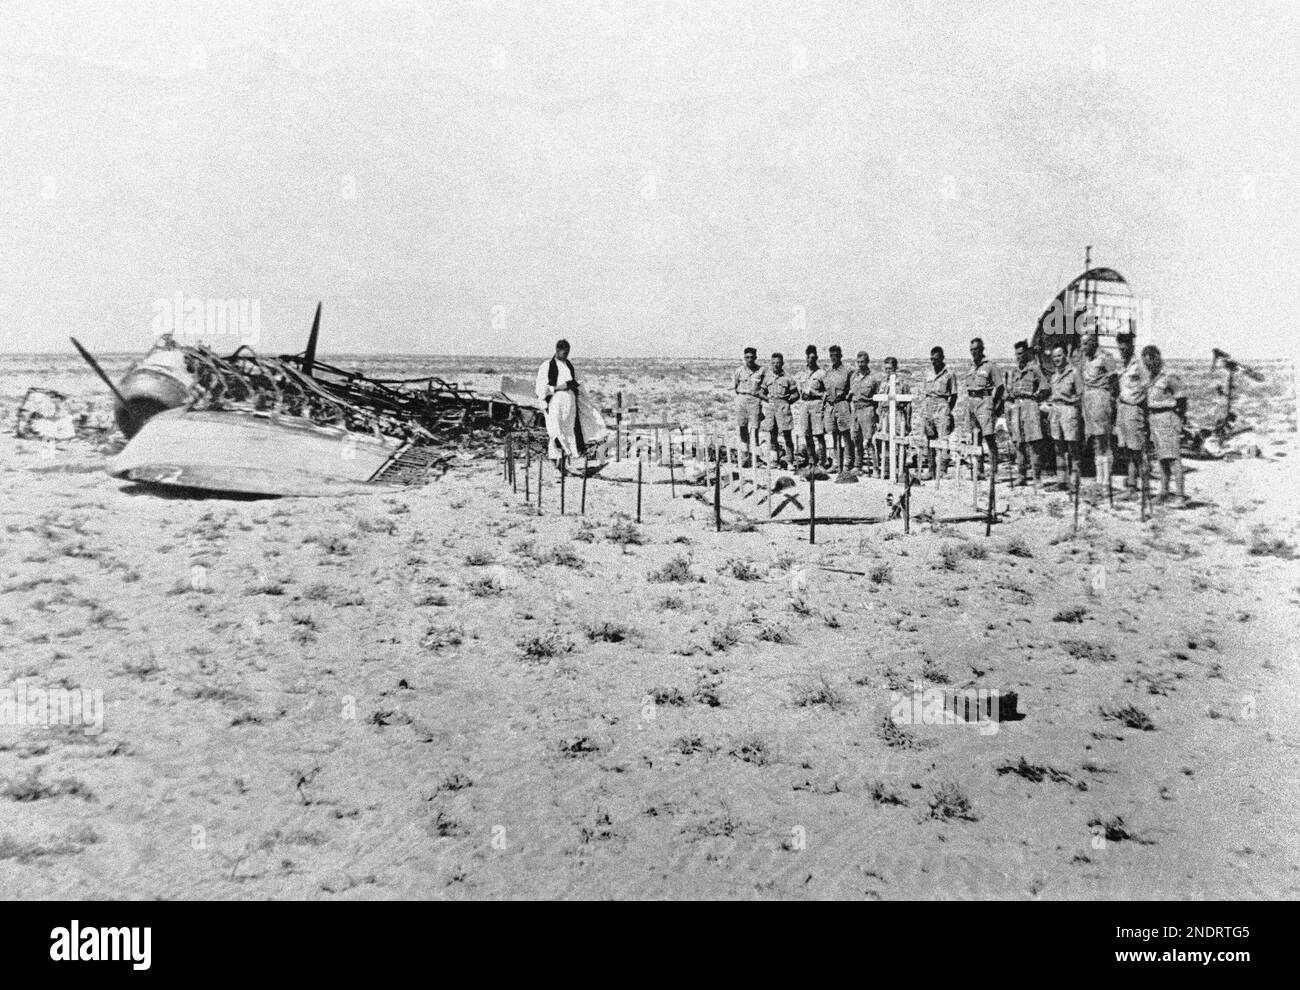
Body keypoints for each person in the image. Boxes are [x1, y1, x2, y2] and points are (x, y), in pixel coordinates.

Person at [535, 339, 607, 462]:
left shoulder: (569, 366)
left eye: (567, 353)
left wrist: (574, 388)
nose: (566, 355)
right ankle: (557, 456)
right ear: (557, 350)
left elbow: (579, 383)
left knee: (570, 427)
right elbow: (541, 387)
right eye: (564, 353)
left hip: (570, 400)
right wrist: (558, 387)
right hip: (556, 399)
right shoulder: (547, 365)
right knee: (556, 427)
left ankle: (572, 455)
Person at [1142, 344, 1186, 503]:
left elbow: (1181, 400)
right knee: (1161, 458)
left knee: (1173, 458)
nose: (1148, 366)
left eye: (1150, 362)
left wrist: (1178, 421)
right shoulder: (1151, 378)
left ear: (1157, 358)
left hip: (1168, 418)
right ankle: (1164, 492)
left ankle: (1180, 496)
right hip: (1155, 420)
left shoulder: (1168, 376)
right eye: (1145, 363)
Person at [1006, 340, 1047, 489]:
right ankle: (1021, 476)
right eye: (1017, 354)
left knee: (1034, 443)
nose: (1019, 357)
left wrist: (1035, 396)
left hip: (1030, 407)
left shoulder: (1034, 369)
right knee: (1018, 443)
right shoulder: (1013, 372)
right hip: (1017, 408)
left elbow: (1045, 387)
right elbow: (1009, 391)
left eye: (1021, 354)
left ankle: (1037, 478)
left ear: (1026, 354)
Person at [1080, 333, 1117, 495]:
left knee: (1103, 441)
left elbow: (1114, 380)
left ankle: (1106, 481)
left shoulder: (1105, 358)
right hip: (1088, 401)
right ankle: (1099, 479)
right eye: (1082, 344)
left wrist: (1111, 401)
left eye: (1086, 343)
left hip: (1101, 399)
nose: (1083, 347)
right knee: (1095, 441)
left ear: (1094, 343)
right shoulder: (1086, 360)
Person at [1046, 344, 1084, 491]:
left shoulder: (1074, 373)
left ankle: (1074, 482)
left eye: (1059, 355)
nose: (1057, 359)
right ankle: (1061, 480)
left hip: (1069, 411)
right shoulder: (1054, 376)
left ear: (1065, 356)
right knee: (1058, 447)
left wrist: (1070, 401)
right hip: (1056, 412)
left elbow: (1081, 394)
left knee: (1073, 447)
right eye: (1054, 356)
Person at [1115, 333, 1149, 499]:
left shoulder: (1139, 364)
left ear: (1131, 346)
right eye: (1119, 347)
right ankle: (1132, 486)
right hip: (1123, 409)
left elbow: (1147, 387)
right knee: (1128, 450)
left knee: (1137, 450)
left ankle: (1142, 488)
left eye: (1124, 347)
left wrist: (1139, 404)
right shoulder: (1123, 364)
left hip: (1134, 409)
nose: (1121, 350)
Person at [964, 337, 1003, 479]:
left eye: (976, 349)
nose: (974, 352)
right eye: (972, 350)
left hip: (985, 402)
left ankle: (994, 471)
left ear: (982, 350)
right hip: (971, 403)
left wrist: (994, 405)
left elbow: (1000, 388)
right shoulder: (971, 367)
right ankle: (978, 470)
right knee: (976, 437)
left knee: (989, 437)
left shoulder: (990, 366)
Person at [920, 347, 957, 480]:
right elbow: (925, 392)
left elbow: (954, 395)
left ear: (942, 358)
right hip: (929, 406)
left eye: (936, 359)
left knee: (943, 439)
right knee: (929, 439)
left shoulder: (949, 374)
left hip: (942, 406)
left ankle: (942, 469)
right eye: (932, 359)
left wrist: (947, 410)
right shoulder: (928, 373)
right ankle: (931, 469)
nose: (933, 362)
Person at [848, 351, 884, 476]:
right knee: (856, 439)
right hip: (856, 410)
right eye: (858, 362)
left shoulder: (873, 378)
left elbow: (879, 396)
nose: (860, 364)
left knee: (870, 440)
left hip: (868, 410)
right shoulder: (854, 376)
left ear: (867, 362)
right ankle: (858, 466)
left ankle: (875, 467)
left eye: (862, 362)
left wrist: (877, 415)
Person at [732, 346, 769, 468]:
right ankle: (745, 456)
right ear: (744, 358)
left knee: (754, 429)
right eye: (747, 357)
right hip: (742, 399)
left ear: (755, 358)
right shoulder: (739, 371)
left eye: (752, 357)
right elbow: (735, 386)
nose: (749, 360)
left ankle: (755, 457)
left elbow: (765, 387)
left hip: (755, 400)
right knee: (742, 428)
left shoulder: (761, 370)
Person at [822, 344, 854, 478]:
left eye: (836, 355)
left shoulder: (847, 371)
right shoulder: (828, 372)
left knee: (845, 434)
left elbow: (852, 388)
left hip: (842, 405)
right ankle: (836, 462)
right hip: (831, 406)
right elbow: (825, 388)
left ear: (841, 356)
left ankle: (847, 462)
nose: (833, 358)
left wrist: (846, 397)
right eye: (831, 356)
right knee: (834, 434)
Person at [795, 345, 827, 471]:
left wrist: (816, 394)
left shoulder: (822, 373)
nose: (811, 360)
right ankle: (811, 460)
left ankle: (822, 462)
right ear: (806, 358)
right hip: (804, 404)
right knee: (807, 434)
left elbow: (826, 393)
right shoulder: (802, 374)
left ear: (817, 358)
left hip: (816, 404)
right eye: (809, 357)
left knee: (819, 434)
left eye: (813, 357)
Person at [765, 351, 799, 469]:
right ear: (771, 363)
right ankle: (774, 460)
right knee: (772, 433)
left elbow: (796, 394)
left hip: (783, 407)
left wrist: (786, 402)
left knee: (787, 434)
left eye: (778, 363)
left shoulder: (788, 378)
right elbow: (761, 392)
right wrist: (768, 399)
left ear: (782, 363)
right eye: (773, 363)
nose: (776, 365)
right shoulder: (767, 378)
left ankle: (790, 461)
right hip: (771, 408)